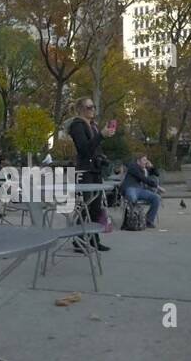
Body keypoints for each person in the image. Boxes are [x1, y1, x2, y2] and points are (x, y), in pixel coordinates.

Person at [67, 98, 115, 251]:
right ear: (81, 109)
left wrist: (103, 158)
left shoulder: (92, 126)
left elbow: (94, 149)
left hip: (94, 170)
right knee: (85, 206)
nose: (92, 110)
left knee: (95, 206)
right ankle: (78, 240)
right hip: (85, 171)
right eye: (89, 107)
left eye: (93, 107)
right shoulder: (77, 125)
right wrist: (101, 135)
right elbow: (84, 150)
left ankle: (94, 238)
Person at [121, 154, 164, 228]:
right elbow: (143, 178)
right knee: (132, 198)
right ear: (138, 161)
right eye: (144, 160)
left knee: (156, 198)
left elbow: (157, 173)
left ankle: (148, 220)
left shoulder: (145, 168)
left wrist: (151, 167)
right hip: (130, 188)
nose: (146, 162)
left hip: (140, 190)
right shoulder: (133, 167)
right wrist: (157, 187)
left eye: (146, 160)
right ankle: (131, 221)